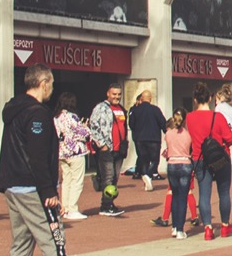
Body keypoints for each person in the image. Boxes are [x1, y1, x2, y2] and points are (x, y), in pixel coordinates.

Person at [0, 64, 94, 256]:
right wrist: (49, 191)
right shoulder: (37, 114)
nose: (52, 89)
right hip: (32, 187)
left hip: (12, 184)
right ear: (43, 83)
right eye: (50, 84)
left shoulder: (14, 110)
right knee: (54, 237)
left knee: (22, 239)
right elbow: (37, 155)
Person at [186, 86, 232, 239]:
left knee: (204, 194)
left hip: (199, 158)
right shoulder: (218, 117)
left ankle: (208, 228)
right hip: (220, 158)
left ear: (195, 100)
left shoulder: (189, 118)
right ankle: (225, 226)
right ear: (210, 99)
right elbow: (230, 139)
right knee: (224, 193)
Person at [86, 84, 128, 216]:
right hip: (106, 149)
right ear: (108, 94)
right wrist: (102, 144)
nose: (117, 97)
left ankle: (109, 203)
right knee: (108, 177)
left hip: (119, 148)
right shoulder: (101, 108)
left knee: (115, 178)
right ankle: (106, 206)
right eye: (114, 94)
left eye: (119, 94)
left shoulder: (121, 109)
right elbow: (93, 125)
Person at [54, 93, 92, 220]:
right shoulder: (72, 117)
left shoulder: (56, 117)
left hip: (62, 152)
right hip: (75, 151)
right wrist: (86, 126)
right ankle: (72, 208)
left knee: (66, 181)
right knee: (77, 181)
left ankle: (64, 209)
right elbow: (84, 132)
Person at [160, 110, 196, 238]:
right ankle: (180, 229)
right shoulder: (188, 134)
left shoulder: (168, 134)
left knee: (174, 196)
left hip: (172, 165)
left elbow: (168, 148)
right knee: (182, 197)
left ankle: (175, 227)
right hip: (185, 163)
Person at [127, 87, 167, 190]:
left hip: (140, 139)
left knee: (143, 159)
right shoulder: (155, 110)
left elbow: (131, 124)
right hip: (154, 139)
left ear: (142, 98)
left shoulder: (135, 110)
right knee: (154, 160)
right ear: (150, 98)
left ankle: (146, 177)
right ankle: (148, 175)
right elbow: (163, 123)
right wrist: (167, 133)